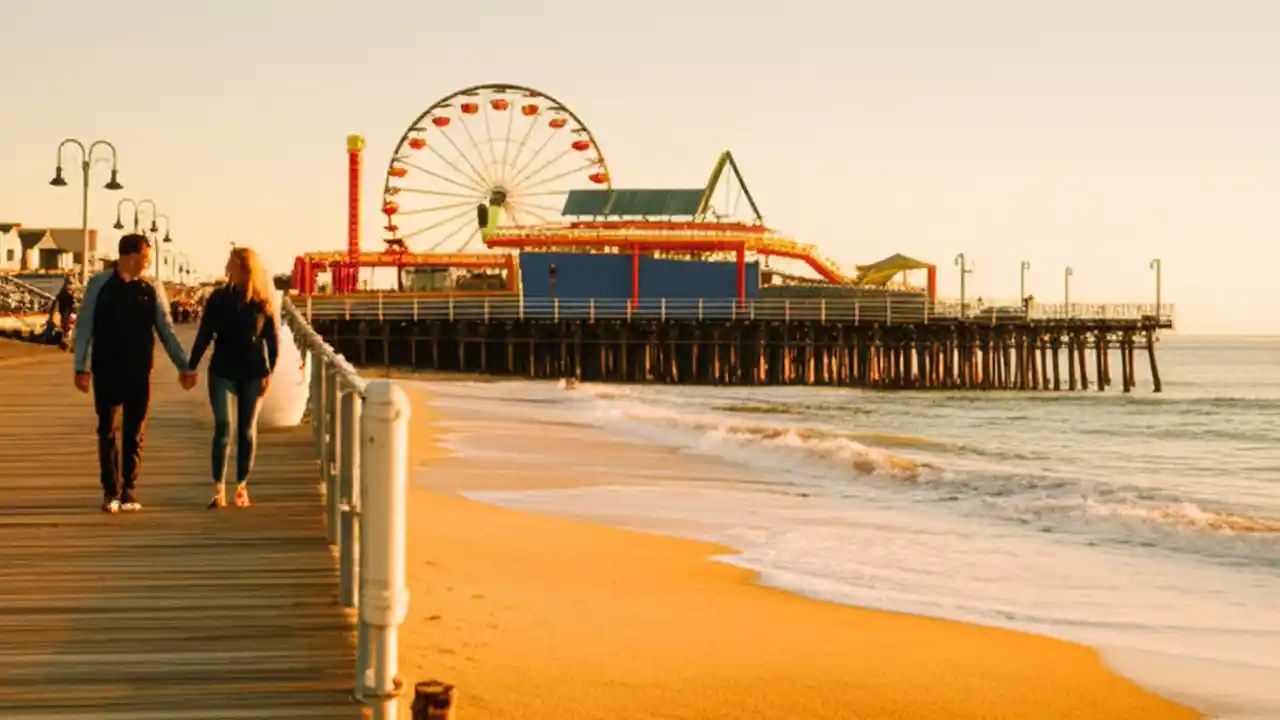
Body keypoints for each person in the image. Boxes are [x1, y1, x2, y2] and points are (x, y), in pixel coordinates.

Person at [73, 234, 196, 513]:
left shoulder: (150, 288)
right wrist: (81, 367)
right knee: (107, 430)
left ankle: (128, 489)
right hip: (105, 368)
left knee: (135, 430)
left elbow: (166, 330)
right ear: (129, 256)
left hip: (139, 370)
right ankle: (110, 492)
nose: (148, 263)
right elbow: (84, 327)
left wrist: (184, 366)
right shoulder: (99, 285)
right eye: (145, 258)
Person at [187, 247, 279, 509]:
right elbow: (205, 334)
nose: (229, 267)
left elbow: (272, 342)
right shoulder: (218, 298)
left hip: (253, 372)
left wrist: (270, 372)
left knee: (247, 431)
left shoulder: (262, 302)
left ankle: (241, 486)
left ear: (245, 268)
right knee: (224, 427)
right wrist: (190, 366)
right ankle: (219, 489)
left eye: (233, 263)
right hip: (222, 370)